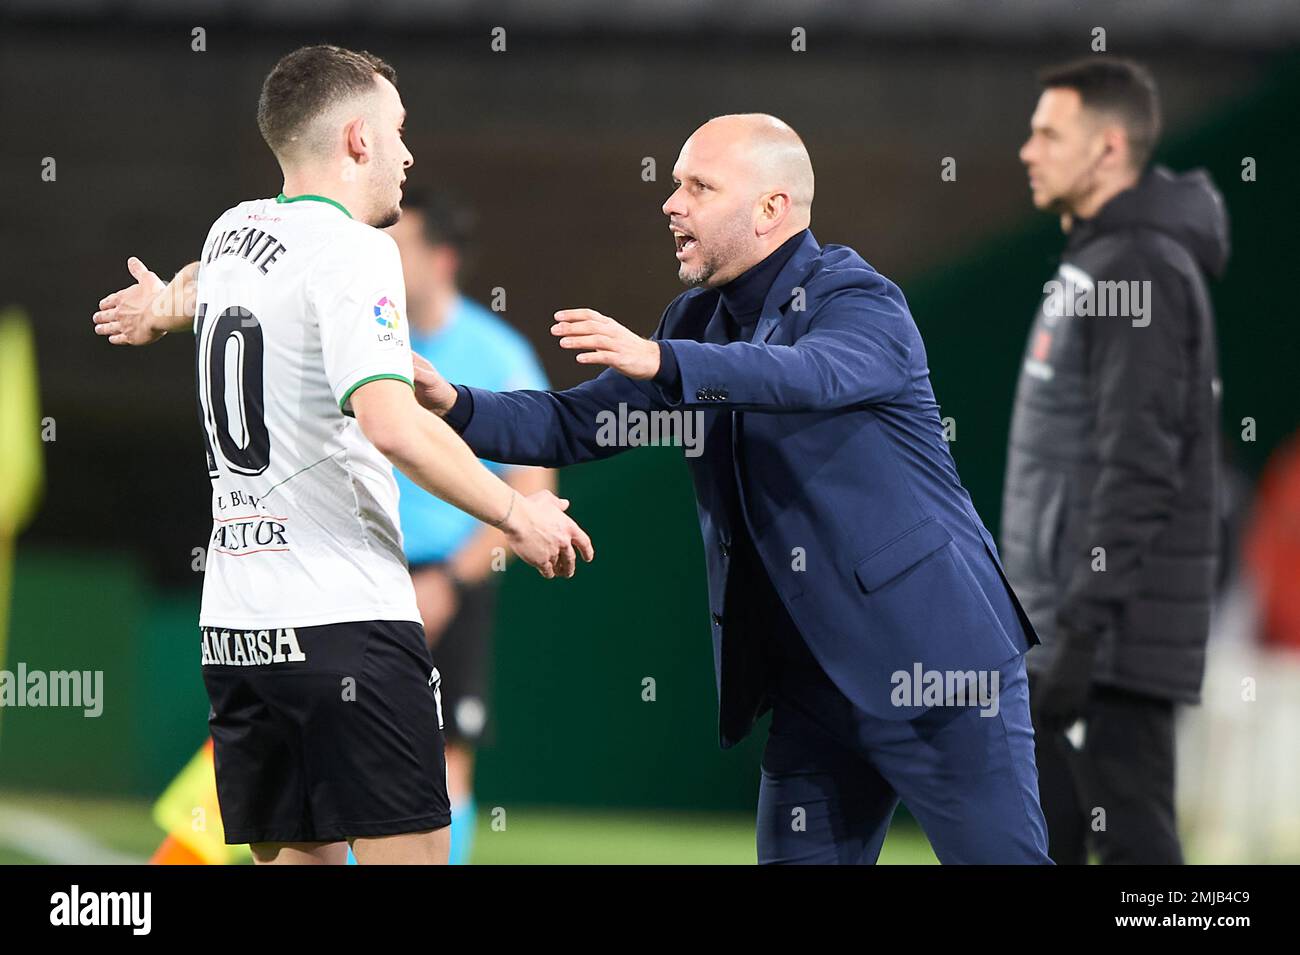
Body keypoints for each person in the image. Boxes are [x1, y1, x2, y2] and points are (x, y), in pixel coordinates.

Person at [414, 113, 1052, 864]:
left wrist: (666, 363)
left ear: (771, 209)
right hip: (812, 690)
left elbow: (805, 376)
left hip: (938, 665)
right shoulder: (695, 321)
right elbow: (576, 425)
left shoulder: (860, 298)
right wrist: (452, 402)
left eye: (698, 185)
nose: (670, 202)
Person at [90, 44, 592, 865]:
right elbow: (391, 424)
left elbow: (204, 277)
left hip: (240, 632)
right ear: (358, 138)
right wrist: (516, 513)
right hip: (346, 621)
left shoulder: (233, 231)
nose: (408, 153)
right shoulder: (359, 251)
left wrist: (165, 306)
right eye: (398, 131)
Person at [1003, 57, 1228, 864]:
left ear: (1106, 150)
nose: (1027, 150)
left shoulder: (1137, 269)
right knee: (1042, 836)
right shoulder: (1097, 263)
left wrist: (1081, 626)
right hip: (1067, 626)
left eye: (1047, 133)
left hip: (1106, 638)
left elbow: (1139, 464)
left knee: (1135, 846)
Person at [388, 189, 556, 864]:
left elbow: (534, 488)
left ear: (443, 258)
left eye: (398, 246)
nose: (382, 260)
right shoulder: (362, 337)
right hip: (359, 575)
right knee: (343, 748)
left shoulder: (498, 355)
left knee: (443, 756)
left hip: (448, 579)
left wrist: (448, 584)